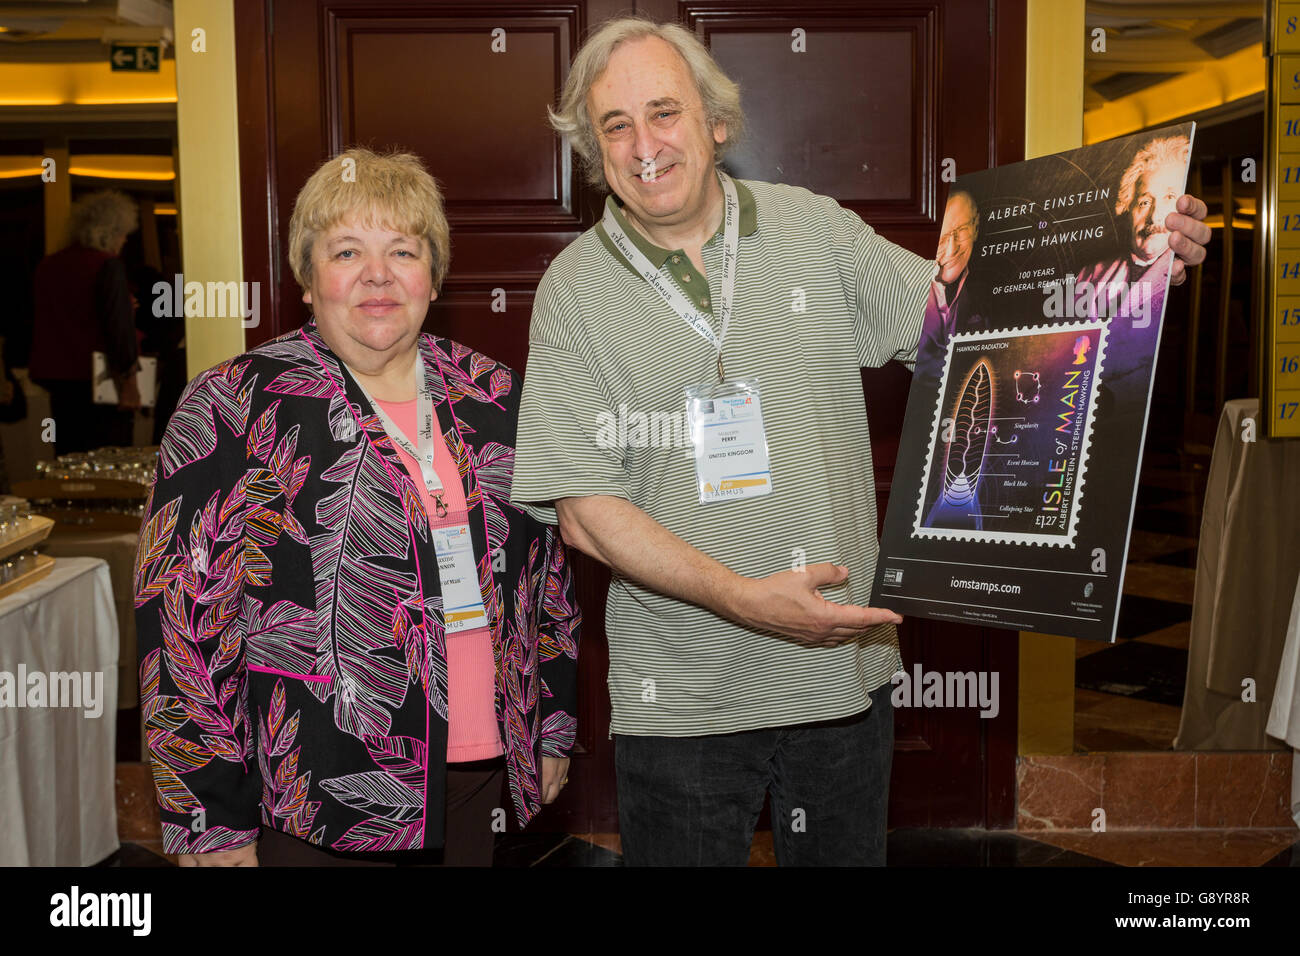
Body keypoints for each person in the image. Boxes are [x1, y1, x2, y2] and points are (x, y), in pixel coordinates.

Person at [509, 16, 1210, 866]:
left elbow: (973, 319)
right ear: (594, 150)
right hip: (684, 701)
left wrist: (1131, 267)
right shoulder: (572, 291)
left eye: (664, 111)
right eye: (614, 125)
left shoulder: (812, 230)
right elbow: (583, 511)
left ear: (716, 122)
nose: (643, 143)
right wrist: (744, 599)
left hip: (839, 678)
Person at [134, 148, 580, 867]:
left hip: (477, 772)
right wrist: (206, 814)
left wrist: (550, 724)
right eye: (347, 251)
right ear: (308, 278)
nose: (378, 274)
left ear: (433, 275)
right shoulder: (231, 404)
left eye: (403, 250)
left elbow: (546, 578)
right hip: (314, 794)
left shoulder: (494, 393)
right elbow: (179, 618)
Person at [29, 189, 142, 454]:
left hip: (59, 379)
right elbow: (117, 327)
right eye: (122, 233)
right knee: (110, 461)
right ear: (109, 232)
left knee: (70, 455)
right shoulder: (106, 265)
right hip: (101, 380)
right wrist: (129, 380)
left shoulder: (49, 265)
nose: (125, 240)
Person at [914, 189, 990, 395]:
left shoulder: (984, 295)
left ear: (975, 228)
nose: (951, 249)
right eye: (942, 236)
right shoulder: (907, 293)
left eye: (962, 230)